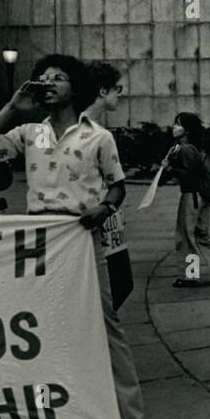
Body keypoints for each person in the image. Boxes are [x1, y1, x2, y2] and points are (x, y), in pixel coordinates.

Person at [0, 53, 147, 419]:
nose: (49, 82)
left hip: (81, 239)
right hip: (39, 241)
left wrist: (103, 209)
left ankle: (129, 414)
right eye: (42, 77)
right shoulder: (29, 133)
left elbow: (117, 186)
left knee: (102, 323)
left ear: (75, 88)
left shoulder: (99, 137)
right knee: (42, 326)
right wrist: (13, 109)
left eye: (58, 77)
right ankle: (54, 410)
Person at [161, 112, 210, 288]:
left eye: (178, 125)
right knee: (201, 233)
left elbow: (190, 175)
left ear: (187, 130)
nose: (174, 127)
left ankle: (190, 275)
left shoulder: (186, 148)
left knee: (185, 236)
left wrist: (170, 168)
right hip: (202, 196)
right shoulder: (189, 146)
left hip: (192, 196)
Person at [85, 61, 133, 307]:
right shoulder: (96, 134)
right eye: (118, 89)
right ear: (103, 91)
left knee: (120, 285)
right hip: (94, 223)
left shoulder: (100, 132)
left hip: (109, 223)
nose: (120, 94)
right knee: (112, 289)